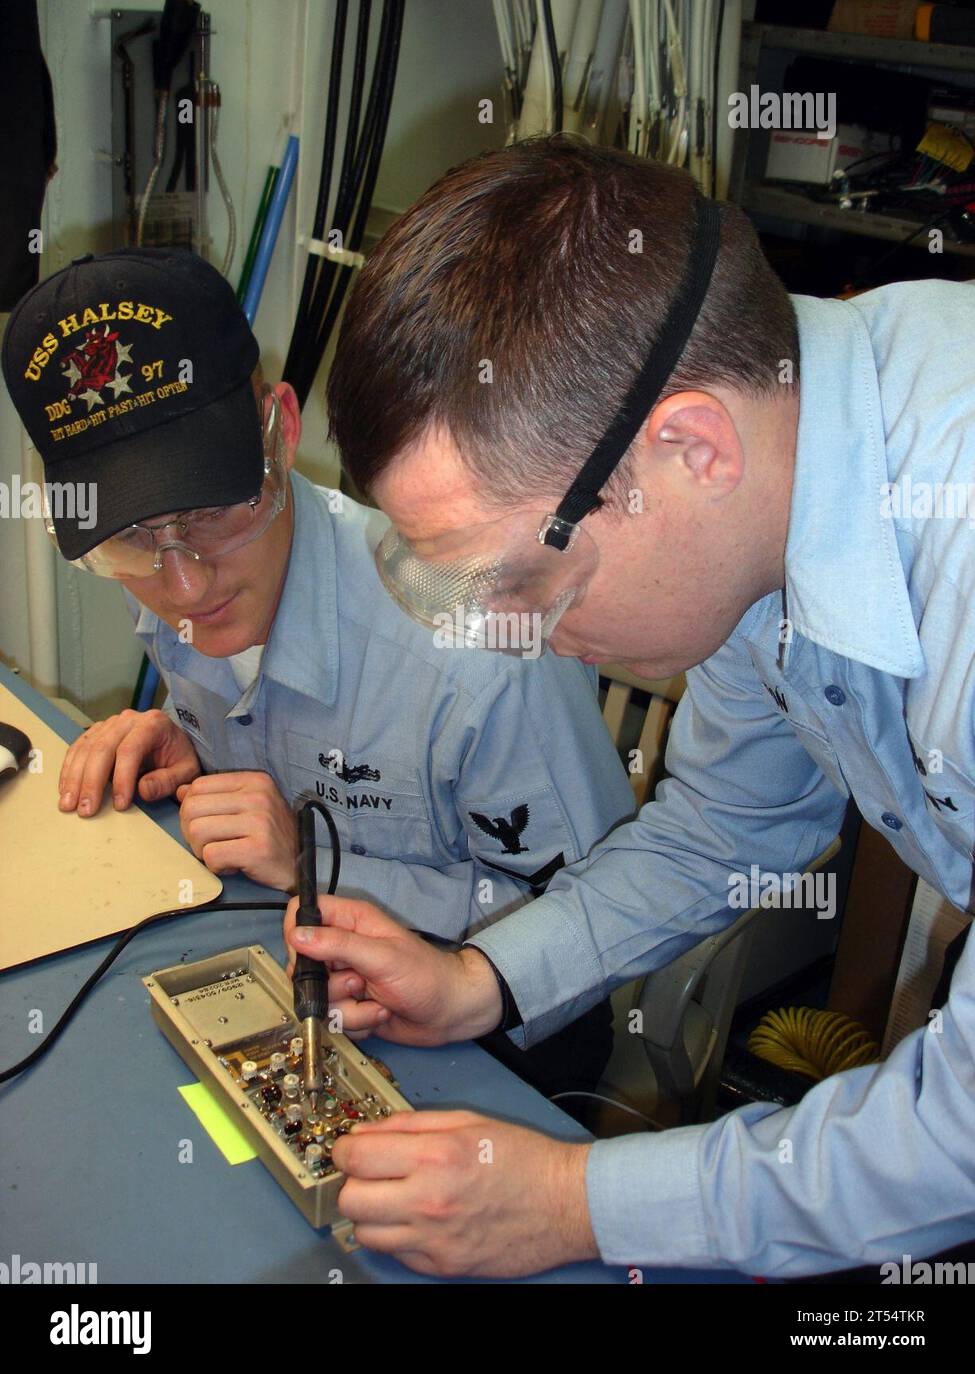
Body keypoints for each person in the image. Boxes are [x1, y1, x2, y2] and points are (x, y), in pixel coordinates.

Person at [278, 135, 975, 1279]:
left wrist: (570, 1200)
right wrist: (483, 979)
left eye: (518, 583)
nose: (516, 634)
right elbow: (727, 828)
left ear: (689, 448)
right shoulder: (777, 483)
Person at [0, 245, 636, 1099]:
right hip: (280, 962)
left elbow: (594, 924)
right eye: (131, 539)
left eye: (209, 511)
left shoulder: (480, 649)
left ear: (282, 430)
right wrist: (191, 743)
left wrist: (314, 864)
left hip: (500, 1040)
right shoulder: (172, 569)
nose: (183, 583)